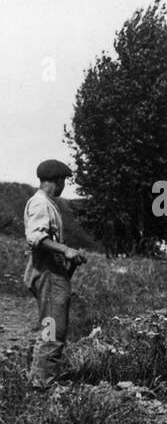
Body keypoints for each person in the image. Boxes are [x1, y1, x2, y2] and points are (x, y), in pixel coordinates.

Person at [24, 159, 86, 389]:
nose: (64, 186)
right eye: (64, 181)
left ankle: (41, 378)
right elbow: (37, 238)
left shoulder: (47, 203)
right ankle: (42, 385)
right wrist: (66, 250)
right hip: (47, 273)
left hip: (53, 271)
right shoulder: (40, 204)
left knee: (51, 327)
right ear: (57, 180)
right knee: (52, 330)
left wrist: (69, 259)